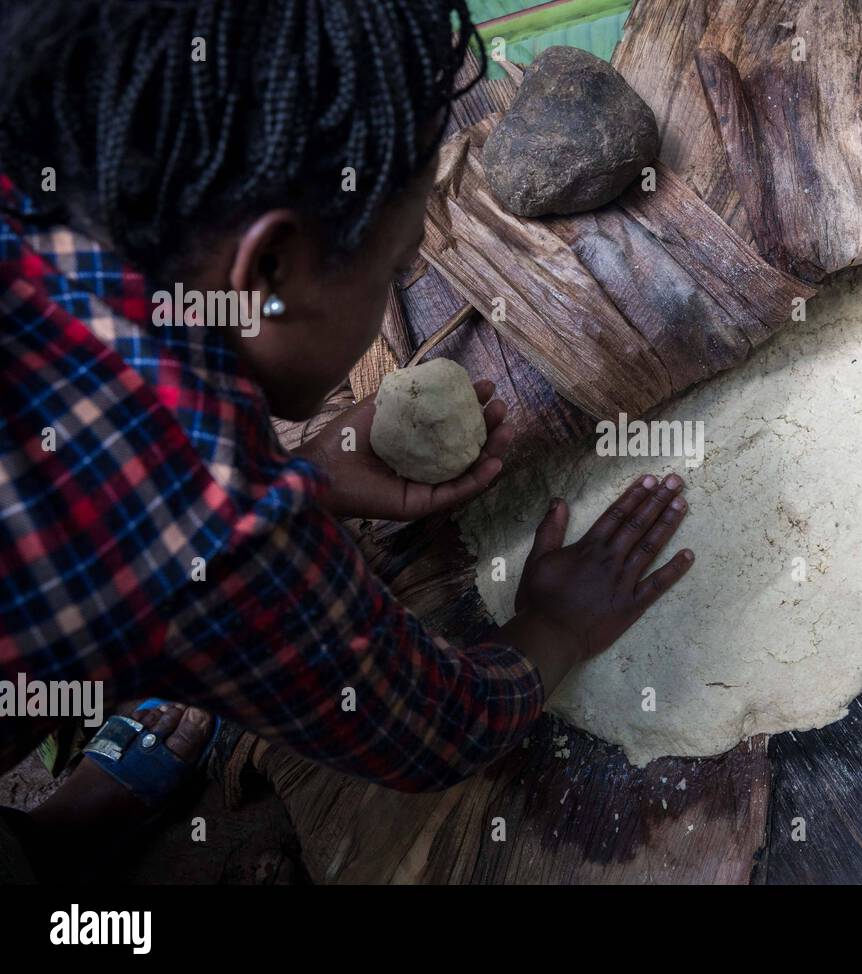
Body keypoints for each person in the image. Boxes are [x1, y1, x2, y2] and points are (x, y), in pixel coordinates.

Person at [0, 0, 693, 882]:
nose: (394, 289)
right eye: (394, 262)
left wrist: (301, 474)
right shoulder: (223, 523)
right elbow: (440, 733)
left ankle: (50, 834)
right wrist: (555, 624)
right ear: (271, 273)